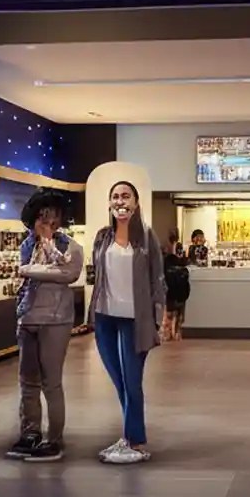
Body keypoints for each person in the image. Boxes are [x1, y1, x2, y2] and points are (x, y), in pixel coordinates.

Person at [88, 181, 167, 464]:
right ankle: (129, 438)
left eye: (126, 196)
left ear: (135, 202)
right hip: (105, 317)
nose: (120, 200)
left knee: (132, 381)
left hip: (136, 320)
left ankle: (134, 440)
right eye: (115, 196)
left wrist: (160, 317)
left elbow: (158, 280)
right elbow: (95, 273)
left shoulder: (146, 237)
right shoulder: (102, 237)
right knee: (119, 381)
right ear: (110, 203)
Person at [5, 188, 84, 463]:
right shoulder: (26, 246)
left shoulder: (71, 247)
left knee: (52, 383)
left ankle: (54, 439)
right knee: (27, 382)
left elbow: (68, 274)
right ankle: (30, 433)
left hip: (56, 321)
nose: (47, 226)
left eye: (53, 220)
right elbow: (36, 274)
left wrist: (27, 270)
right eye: (42, 219)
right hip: (27, 319)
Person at [163, 229, 192, 342]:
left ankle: (169, 332)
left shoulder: (165, 251)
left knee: (170, 310)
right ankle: (176, 332)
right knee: (178, 310)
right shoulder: (177, 249)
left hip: (171, 285)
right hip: (178, 285)